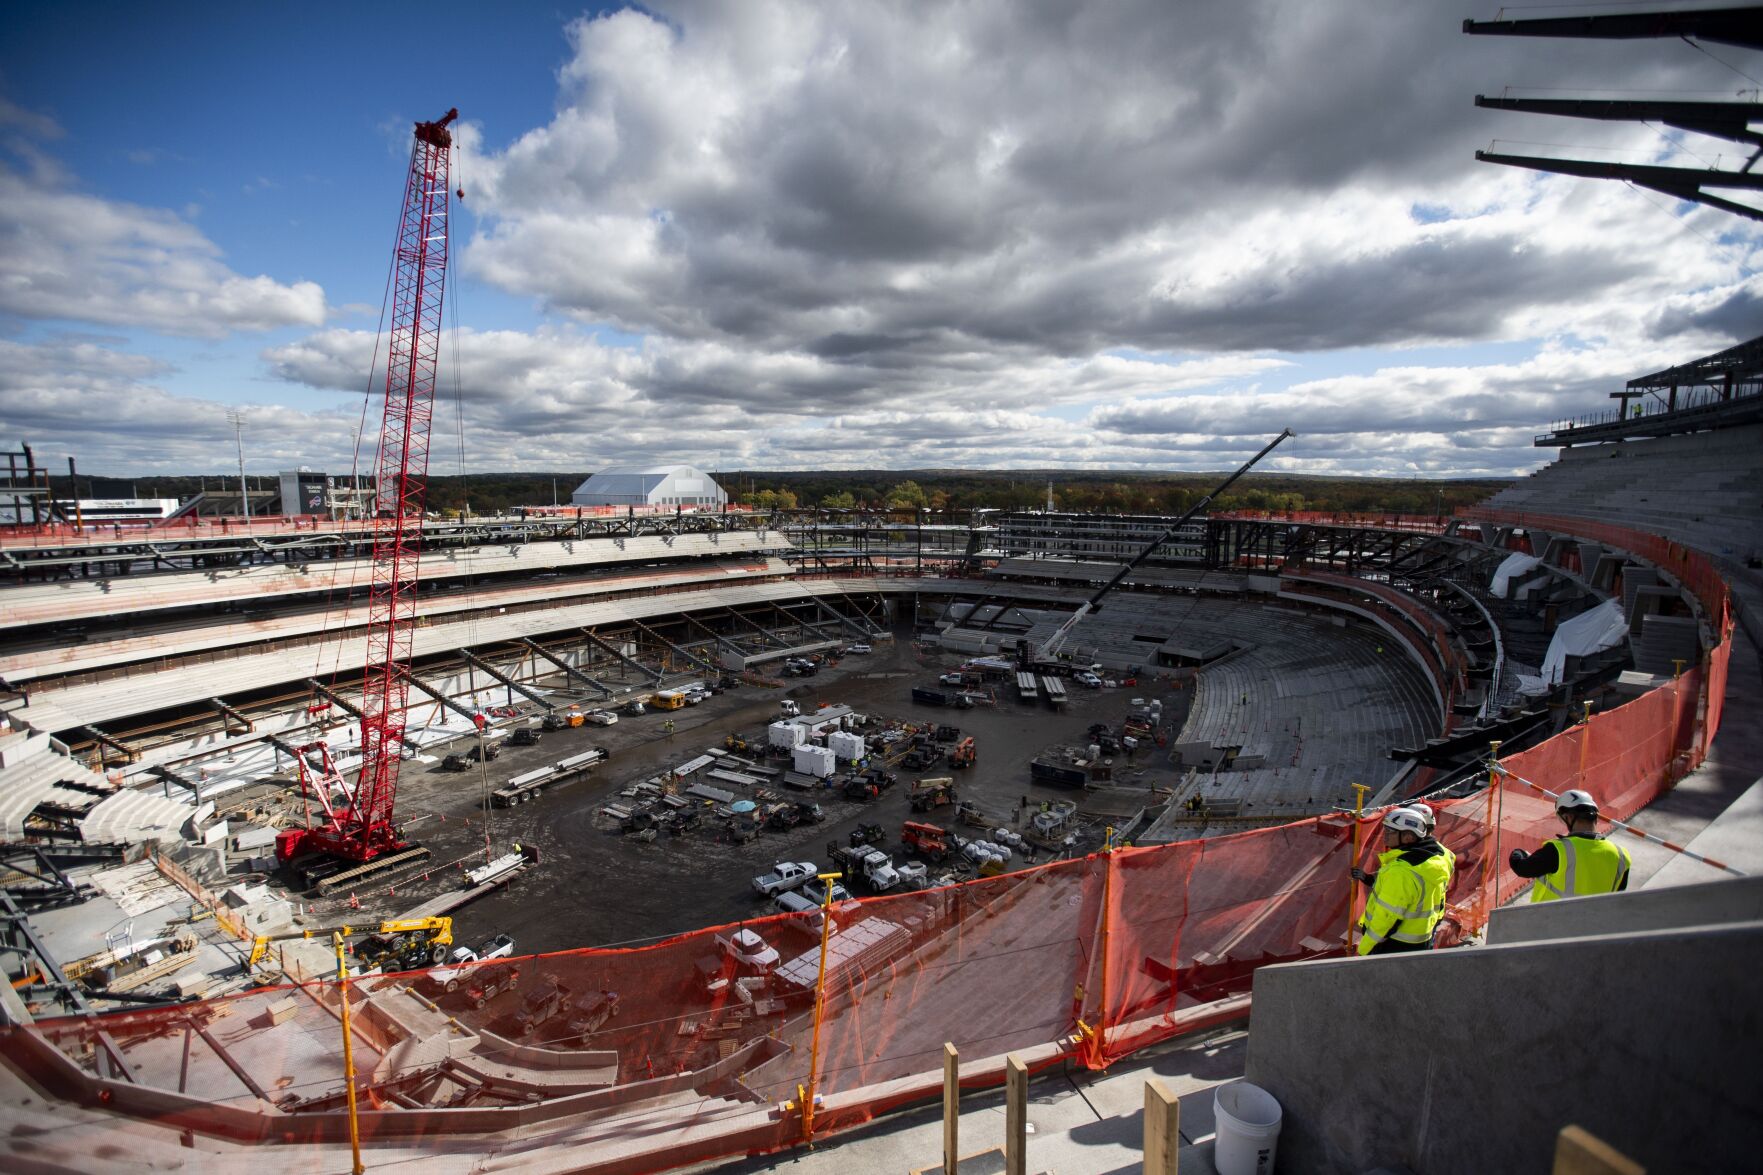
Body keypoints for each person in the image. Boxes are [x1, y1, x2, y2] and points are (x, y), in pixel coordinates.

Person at [1351, 808, 1453, 955]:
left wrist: (1363, 950)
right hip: (1423, 936)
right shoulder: (1441, 856)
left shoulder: (1400, 872)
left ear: (1408, 837)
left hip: (1393, 944)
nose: (1384, 836)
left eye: (1389, 832)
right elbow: (1438, 895)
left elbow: (1386, 920)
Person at [1509, 789, 1630, 902]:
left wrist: (1517, 854)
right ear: (1595, 818)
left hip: (1554, 921)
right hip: (1598, 923)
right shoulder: (1621, 855)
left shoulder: (1558, 850)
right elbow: (1618, 894)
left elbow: (1522, 868)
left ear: (1569, 817)